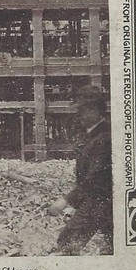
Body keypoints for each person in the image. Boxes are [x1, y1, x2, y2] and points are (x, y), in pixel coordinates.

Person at [49, 85, 113, 255]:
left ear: (95, 110)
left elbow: (96, 177)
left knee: (67, 242)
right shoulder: (94, 136)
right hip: (101, 202)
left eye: (82, 110)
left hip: (100, 202)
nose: (78, 115)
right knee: (112, 247)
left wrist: (66, 201)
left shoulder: (103, 138)